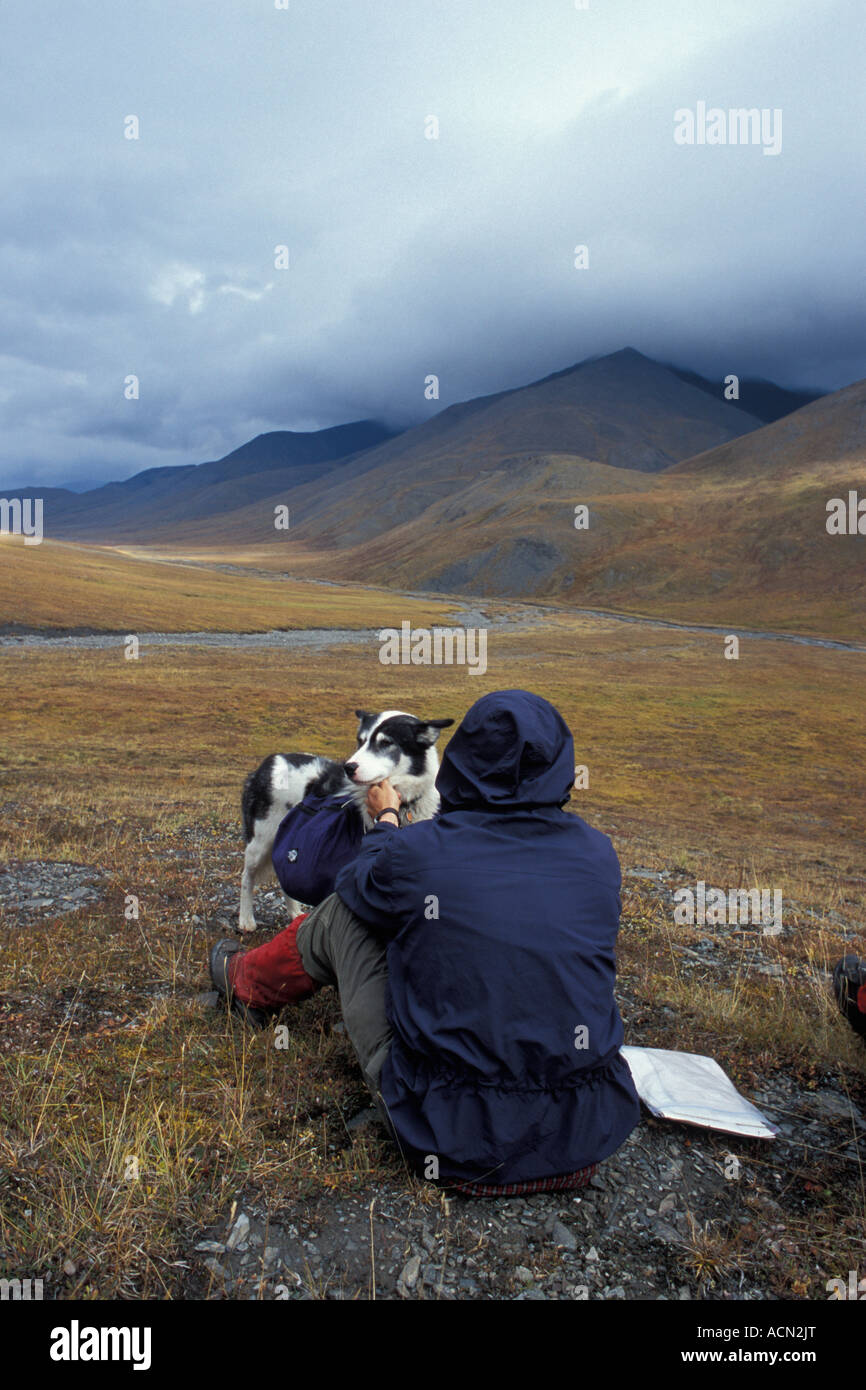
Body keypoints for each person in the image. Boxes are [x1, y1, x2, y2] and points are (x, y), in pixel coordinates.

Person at [209, 689, 640, 1193]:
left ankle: (246, 981)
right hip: (584, 1133)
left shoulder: (420, 853)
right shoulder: (596, 854)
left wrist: (388, 820)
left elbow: (359, 883)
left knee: (344, 912)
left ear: (462, 760)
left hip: (445, 1133)